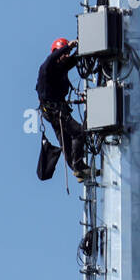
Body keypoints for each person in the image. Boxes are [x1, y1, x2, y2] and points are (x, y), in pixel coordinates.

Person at [36, 37, 92, 181]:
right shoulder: (47, 67)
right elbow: (52, 58)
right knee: (79, 133)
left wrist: (84, 46)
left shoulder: (61, 68)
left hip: (56, 111)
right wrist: (68, 47)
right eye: (63, 54)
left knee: (66, 142)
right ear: (57, 52)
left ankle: (78, 168)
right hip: (53, 111)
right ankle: (78, 166)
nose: (66, 57)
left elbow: (75, 59)